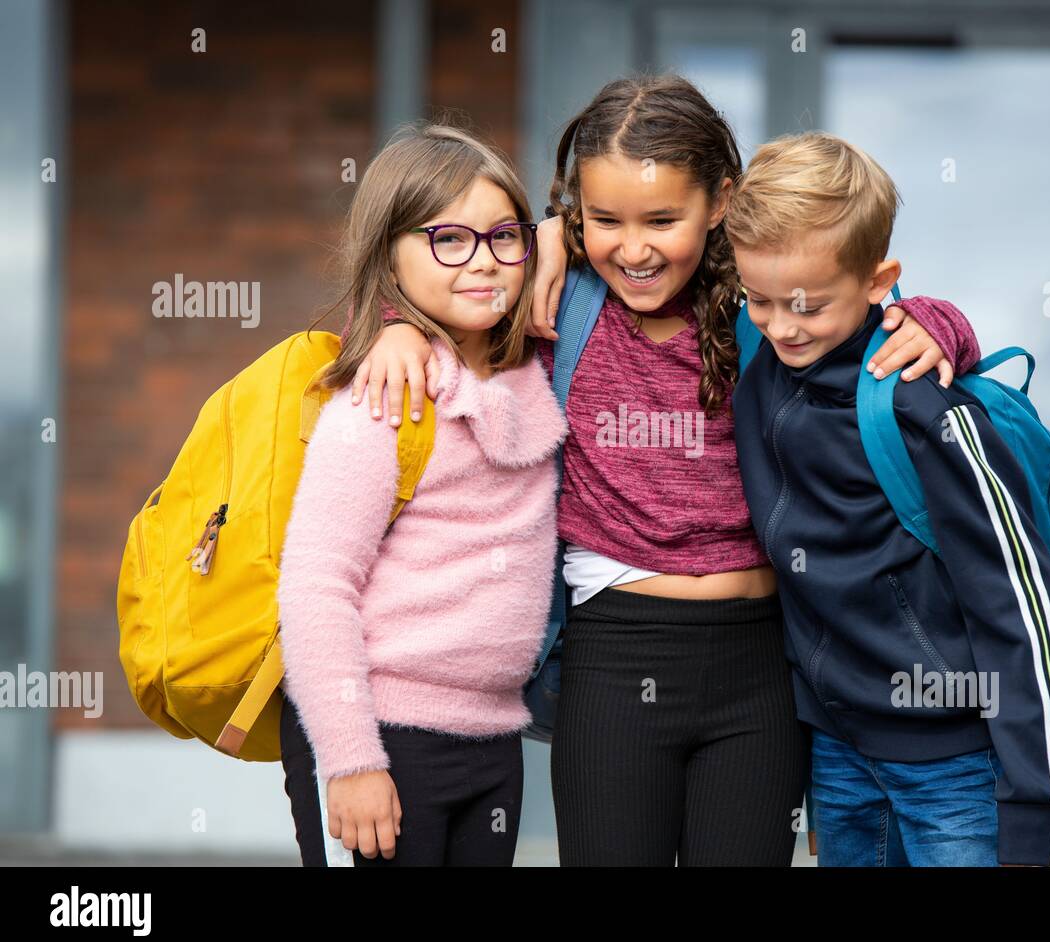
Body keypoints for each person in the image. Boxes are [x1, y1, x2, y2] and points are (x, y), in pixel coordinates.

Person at [350, 74, 982, 866]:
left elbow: (862, 306)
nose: (635, 247)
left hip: (759, 668)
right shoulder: (559, 300)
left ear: (720, 202)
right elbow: (445, 283)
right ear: (576, 209)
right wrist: (395, 329)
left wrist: (939, 325)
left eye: (662, 219)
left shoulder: (760, 305)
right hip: (613, 665)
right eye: (605, 219)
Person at [726, 131, 1050, 866]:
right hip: (840, 755)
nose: (782, 326)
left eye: (807, 306)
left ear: (879, 281)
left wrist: (1032, 808)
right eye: (758, 300)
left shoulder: (922, 409)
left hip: (956, 768)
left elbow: (1023, 608)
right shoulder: (758, 367)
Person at [276, 122, 567, 866]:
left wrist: (554, 235)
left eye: (505, 237)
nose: (484, 262)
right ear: (389, 257)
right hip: (389, 741)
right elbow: (316, 589)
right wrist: (350, 761)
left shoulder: (536, 374)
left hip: (496, 742)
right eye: (449, 239)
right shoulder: (383, 403)